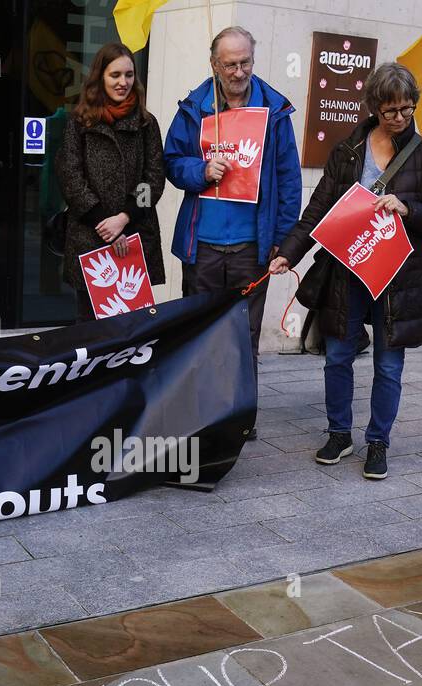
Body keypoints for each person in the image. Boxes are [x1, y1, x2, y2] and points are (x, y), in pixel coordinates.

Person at [269, 62, 422, 479]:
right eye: (391, 111)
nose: (401, 119)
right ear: (373, 106)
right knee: (337, 356)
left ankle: (378, 441)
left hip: (398, 279)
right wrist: (290, 253)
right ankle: (339, 433)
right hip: (346, 274)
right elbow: (318, 211)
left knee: (388, 366)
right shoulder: (347, 150)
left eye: (408, 109)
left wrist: (408, 209)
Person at [163, 25, 302, 439]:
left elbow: (289, 180)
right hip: (202, 245)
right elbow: (172, 162)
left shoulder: (274, 111)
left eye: (245, 62)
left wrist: (282, 239)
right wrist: (200, 170)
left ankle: (240, 418)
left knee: (244, 337)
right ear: (214, 65)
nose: (239, 72)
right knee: (199, 332)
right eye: (230, 64)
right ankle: (199, 413)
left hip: (251, 247)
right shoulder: (194, 107)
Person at [55, 43, 165, 324]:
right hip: (90, 236)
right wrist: (107, 225)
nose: (123, 82)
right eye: (115, 75)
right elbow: (70, 177)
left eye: (129, 75)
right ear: (100, 77)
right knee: (89, 327)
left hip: (135, 233)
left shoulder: (146, 123)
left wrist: (124, 217)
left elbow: (154, 179)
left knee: (131, 326)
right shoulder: (79, 122)